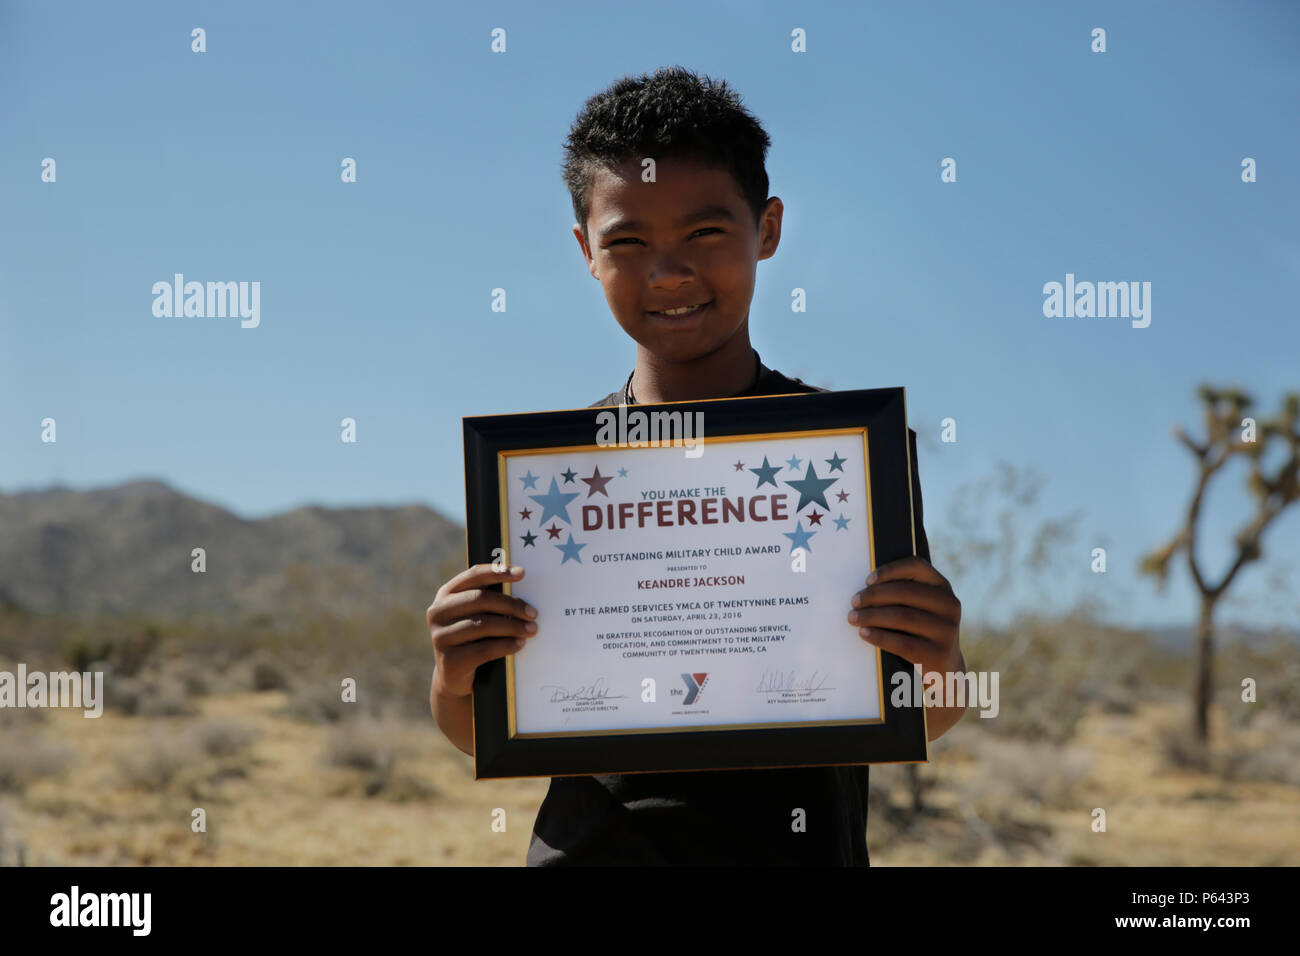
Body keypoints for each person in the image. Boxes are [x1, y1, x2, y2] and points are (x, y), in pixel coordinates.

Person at [429, 66, 966, 865]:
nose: (669, 272)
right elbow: (480, 730)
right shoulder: (547, 476)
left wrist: (940, 655)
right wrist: (454, 669)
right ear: (585, 251)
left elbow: (929, 709)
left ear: (768, 229)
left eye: (706, 234)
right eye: (627, 242)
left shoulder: (847, 458)